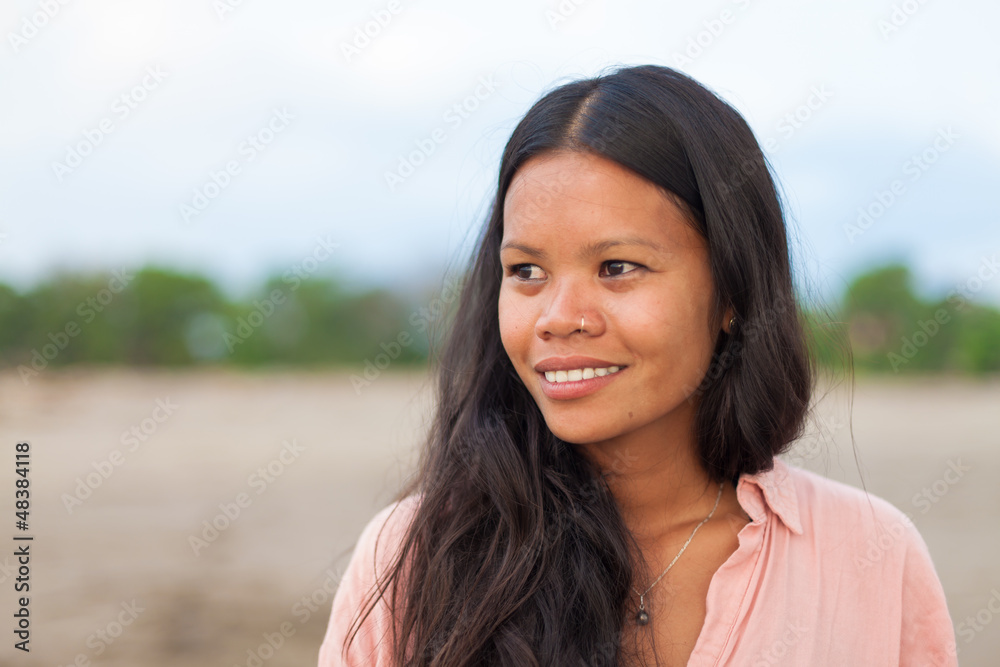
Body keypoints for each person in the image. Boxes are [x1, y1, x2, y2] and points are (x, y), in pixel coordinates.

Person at [318, 64, 957, 666]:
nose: (558, 316)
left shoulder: (870, 556)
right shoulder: (414, 559)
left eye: (618, 267)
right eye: (527, 272)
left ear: (732, 291)